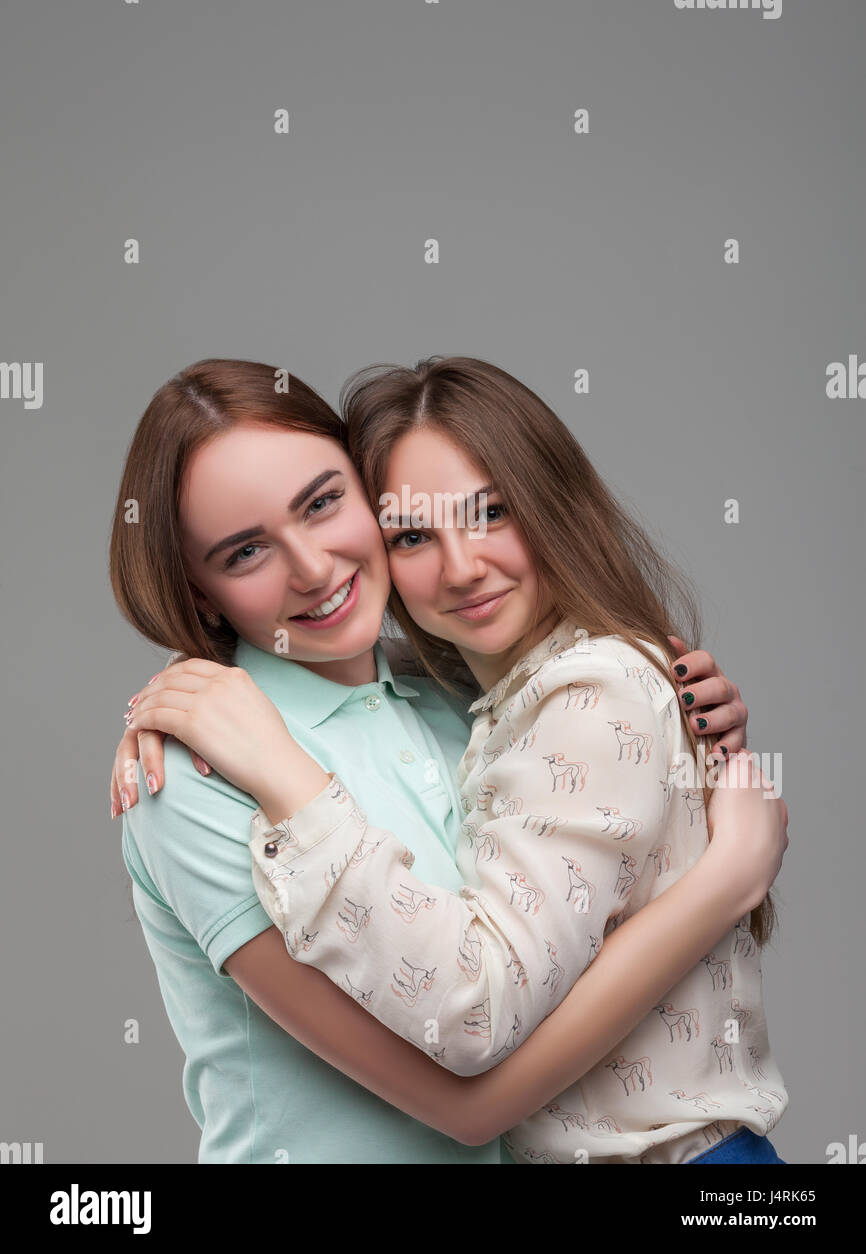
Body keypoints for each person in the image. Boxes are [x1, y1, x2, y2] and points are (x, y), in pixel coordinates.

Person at [111, 357, 787, 1164]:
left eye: (323, 504)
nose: (316, 568)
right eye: (246, 552)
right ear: (198, 594)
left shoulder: (461, 694)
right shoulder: (191, 780)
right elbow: (468, 1102)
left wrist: (685, 730)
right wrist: (728, 879)